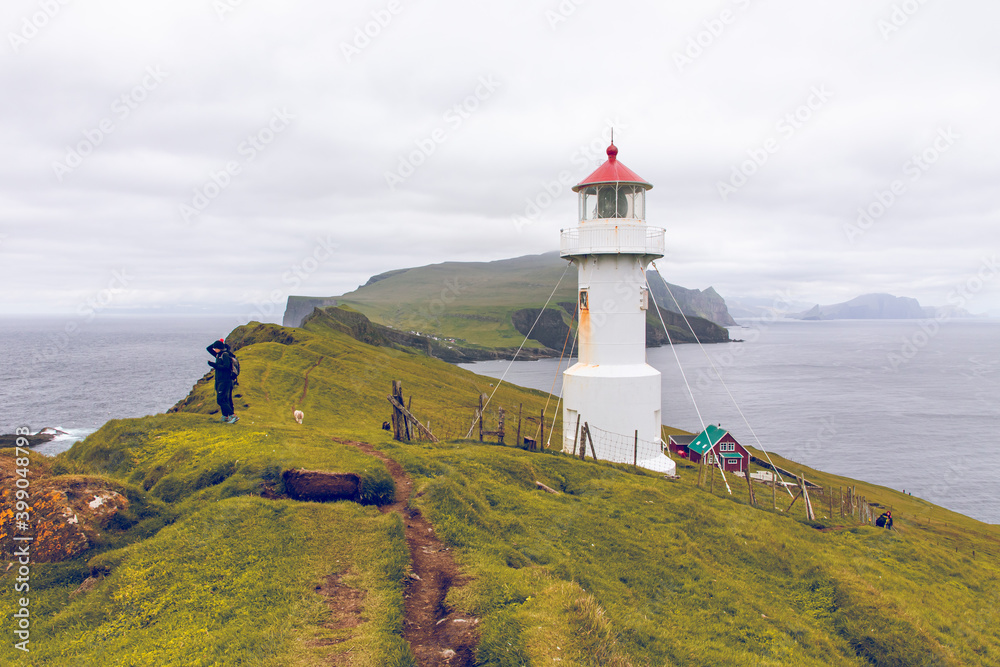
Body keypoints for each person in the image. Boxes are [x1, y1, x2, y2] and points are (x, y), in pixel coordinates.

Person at [207, 338, 238, 424]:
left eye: (216, 347)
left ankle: (233, 415)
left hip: (225, 380)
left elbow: (226, 367)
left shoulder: (224, 355)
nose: (214, 349)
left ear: (220, 348)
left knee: (221, 399)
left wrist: (214, 365)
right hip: (219, 380)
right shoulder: (218, 354)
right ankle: (225, 416)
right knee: (223, 398)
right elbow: (208, 348)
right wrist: (219, 342)